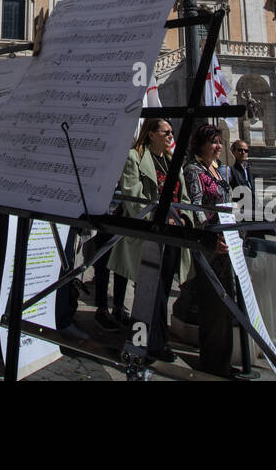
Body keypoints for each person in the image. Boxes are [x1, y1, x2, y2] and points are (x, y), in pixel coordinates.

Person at [110, 118, 179, 363]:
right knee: (150, 290)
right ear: (150, 134)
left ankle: (157, 338)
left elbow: (182, 194)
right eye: (166, 131)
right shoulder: (135, 157)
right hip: (149, 233)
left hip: (174, 234)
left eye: (172, 131)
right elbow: (133, 200)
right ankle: (148, 344)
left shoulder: (172, 160)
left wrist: (187, 219)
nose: (171, 135)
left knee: (163, 290)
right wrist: (158, 219)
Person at [176, 124, 235, 376]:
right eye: (213, 141)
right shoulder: (193, 170)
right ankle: (213, 361)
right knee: (213, 302)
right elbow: (195, 207)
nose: (218, 145)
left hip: (227, 237)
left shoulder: (219, 169)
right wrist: (209, 235)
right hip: (211, 242)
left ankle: (223, 358)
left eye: (219, 141)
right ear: (199, 144)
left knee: (226, 302)